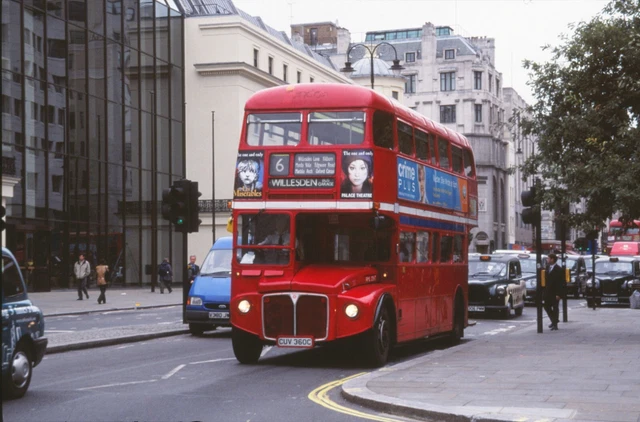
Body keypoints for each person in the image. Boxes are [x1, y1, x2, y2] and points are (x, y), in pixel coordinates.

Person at [544, 253, 566, 331]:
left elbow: (561, 283)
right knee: (546, 306)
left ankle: (555, 324)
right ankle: (554, 320)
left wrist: (559, 294)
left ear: (552, 259)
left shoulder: (559, 269)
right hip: (548, 292)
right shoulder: (547, 268)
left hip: (555, 292)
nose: (547, 260)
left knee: (555, 307)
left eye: (548, 258)